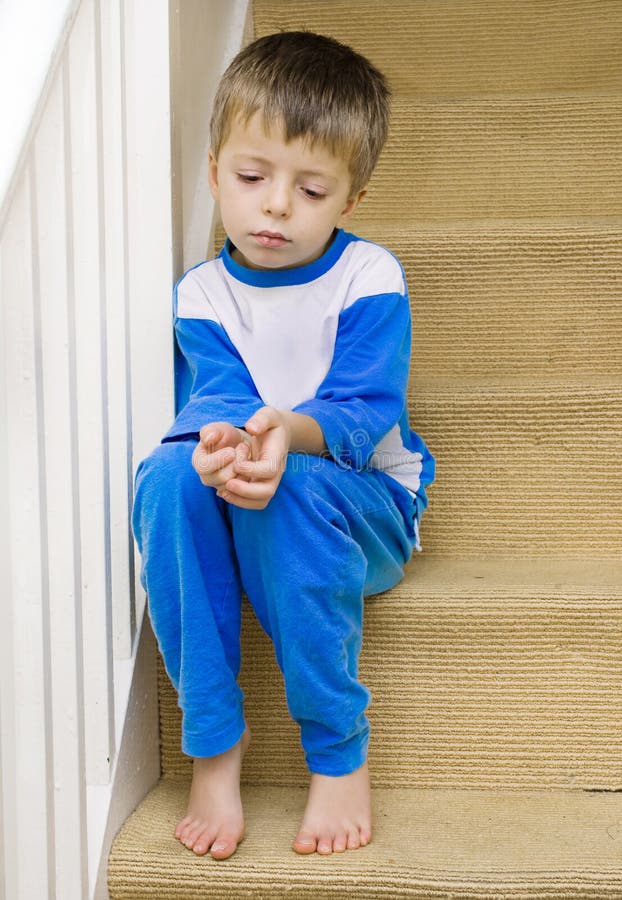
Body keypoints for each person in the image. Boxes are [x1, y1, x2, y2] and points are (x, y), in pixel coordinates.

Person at [132, 30, 435, 861]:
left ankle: (337, 749)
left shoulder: (369, 276)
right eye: (252, 178)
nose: (274, 207)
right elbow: (218, 400)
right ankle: (214, 738)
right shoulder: (201, 294)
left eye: (310, 189)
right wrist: (219, 447)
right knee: (167, 476)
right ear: (213, 173)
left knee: (293, 484)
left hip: (365, 505)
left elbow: (365, 412)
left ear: (351, 201)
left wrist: (286, 434)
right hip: (256, 487)